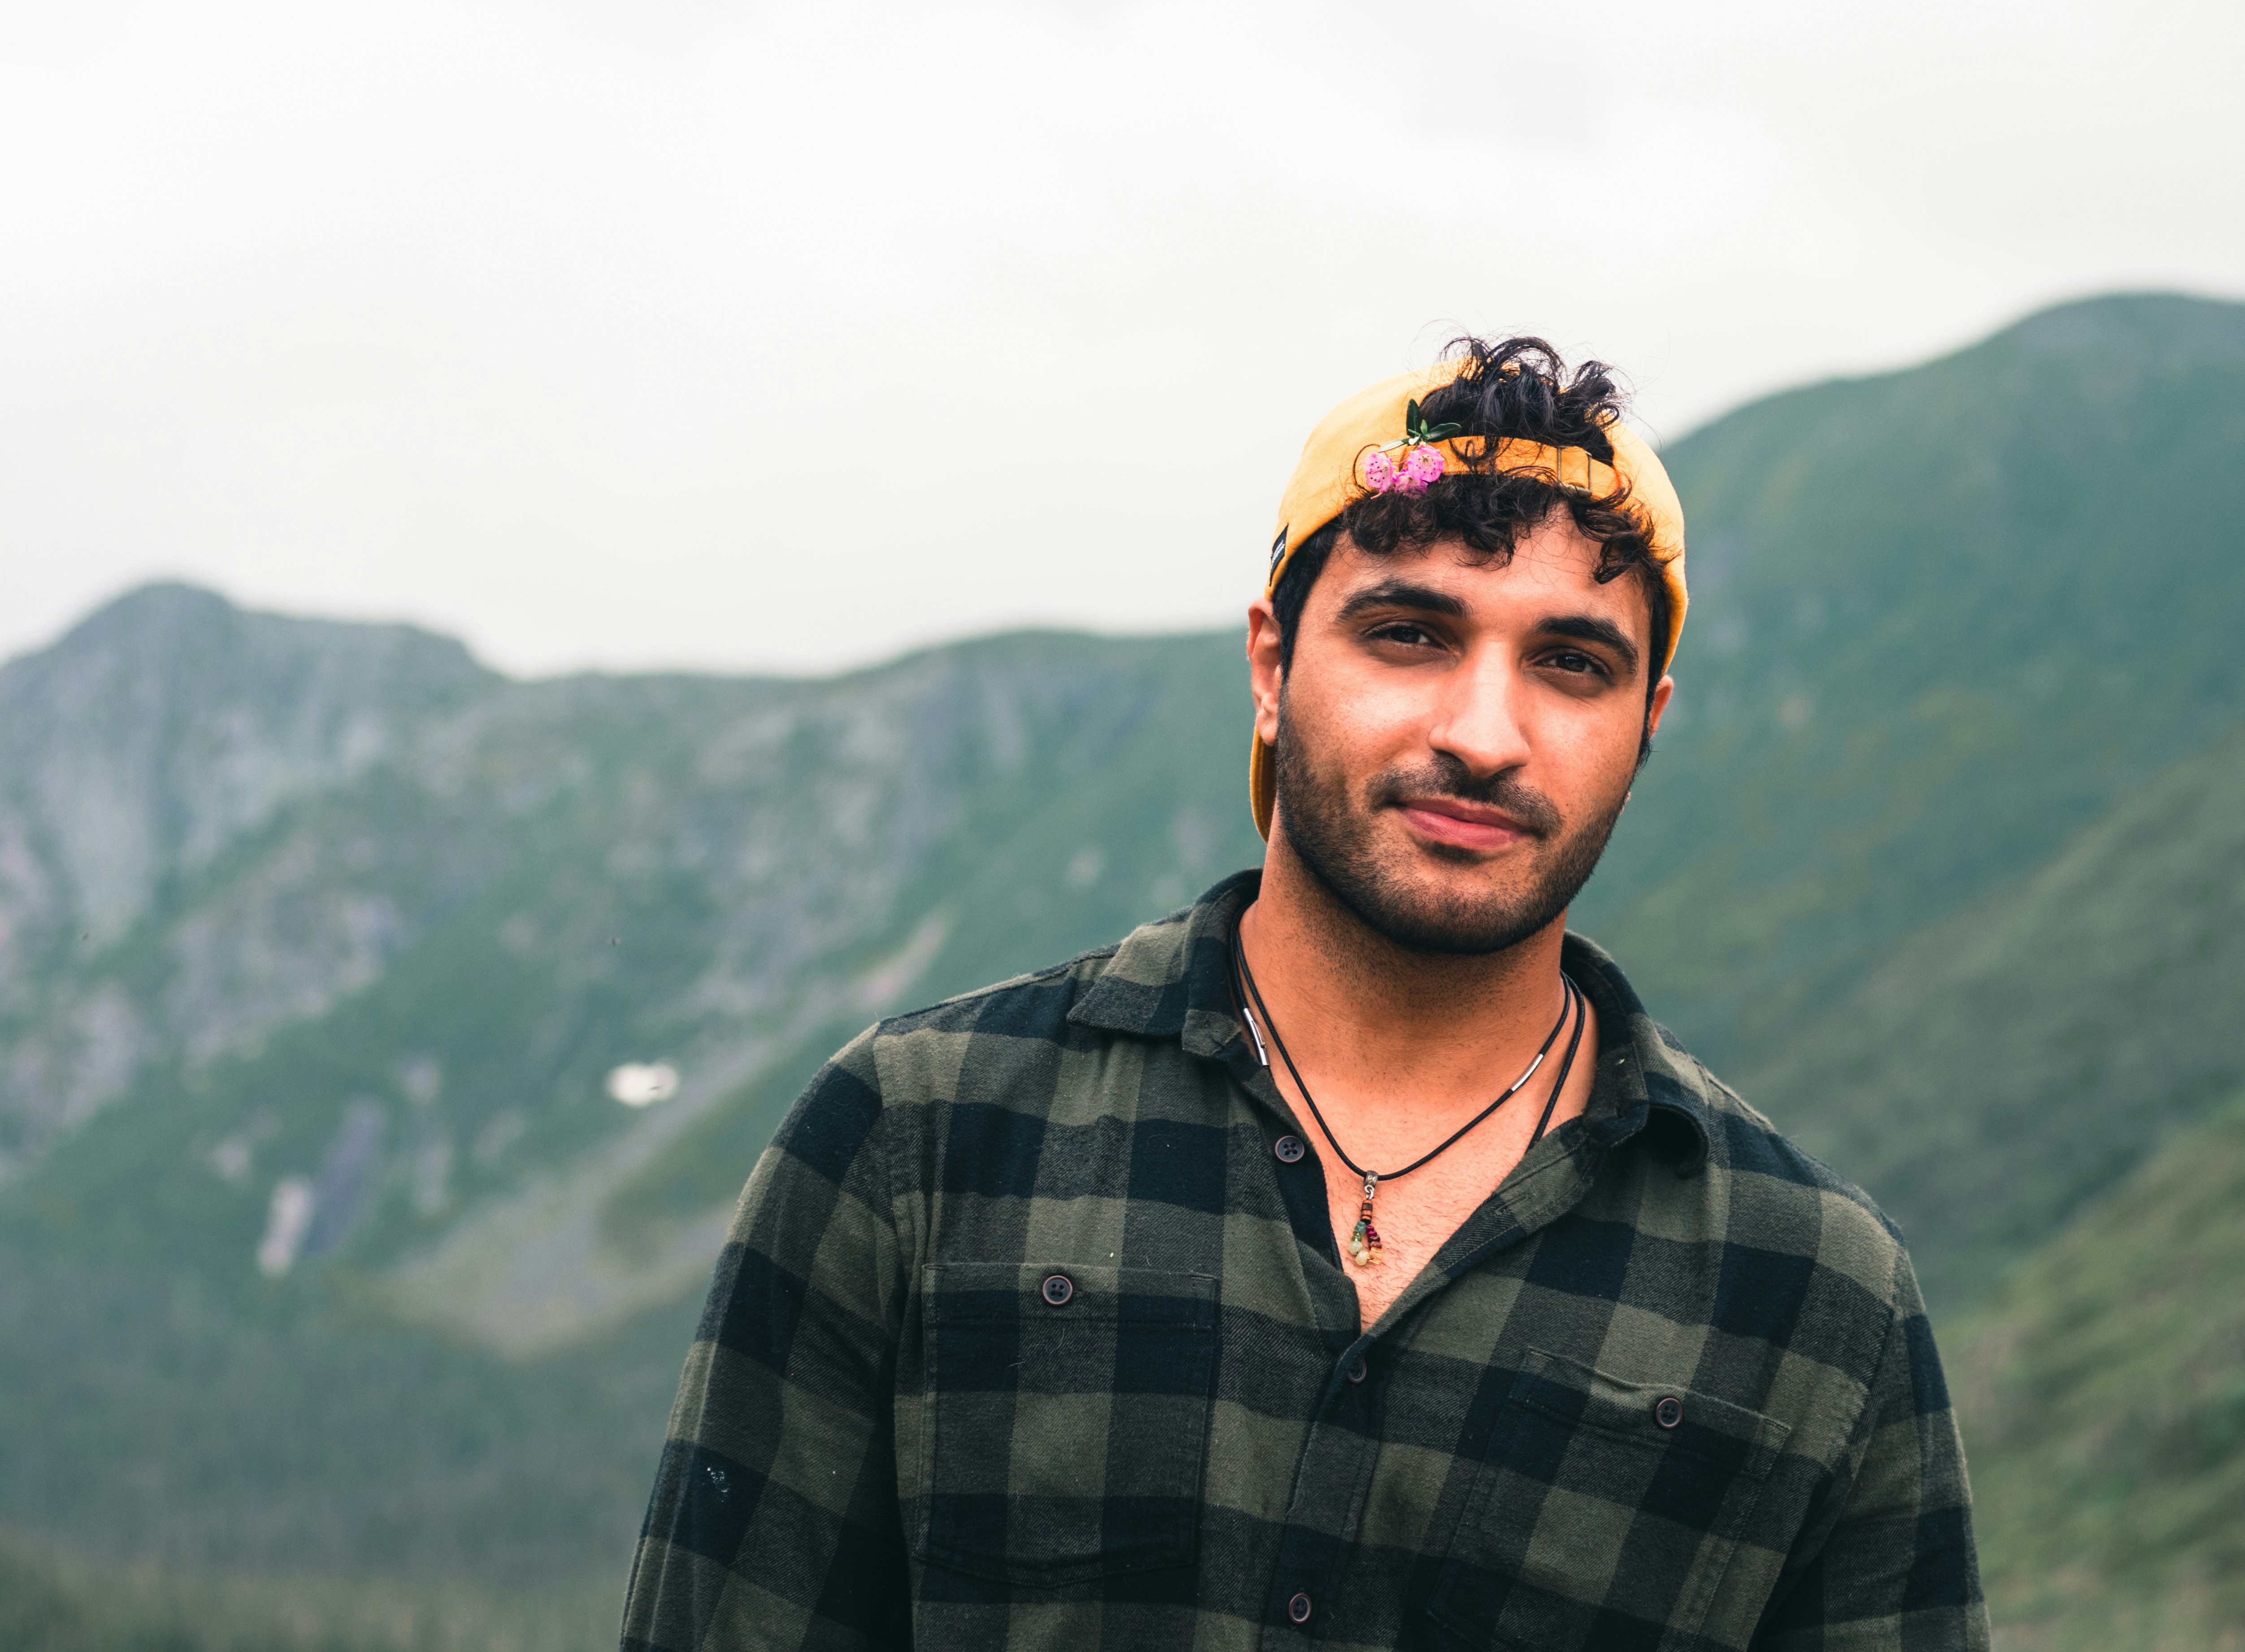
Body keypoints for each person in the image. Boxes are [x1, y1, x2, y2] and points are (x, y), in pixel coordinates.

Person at [620, 338, 1987, 1651]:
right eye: (1409, 635)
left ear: (1648, 723)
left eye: (1572, 664)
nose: (1482, 734)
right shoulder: (919, 1140)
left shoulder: (1809, 1294)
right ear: (1273, 666)